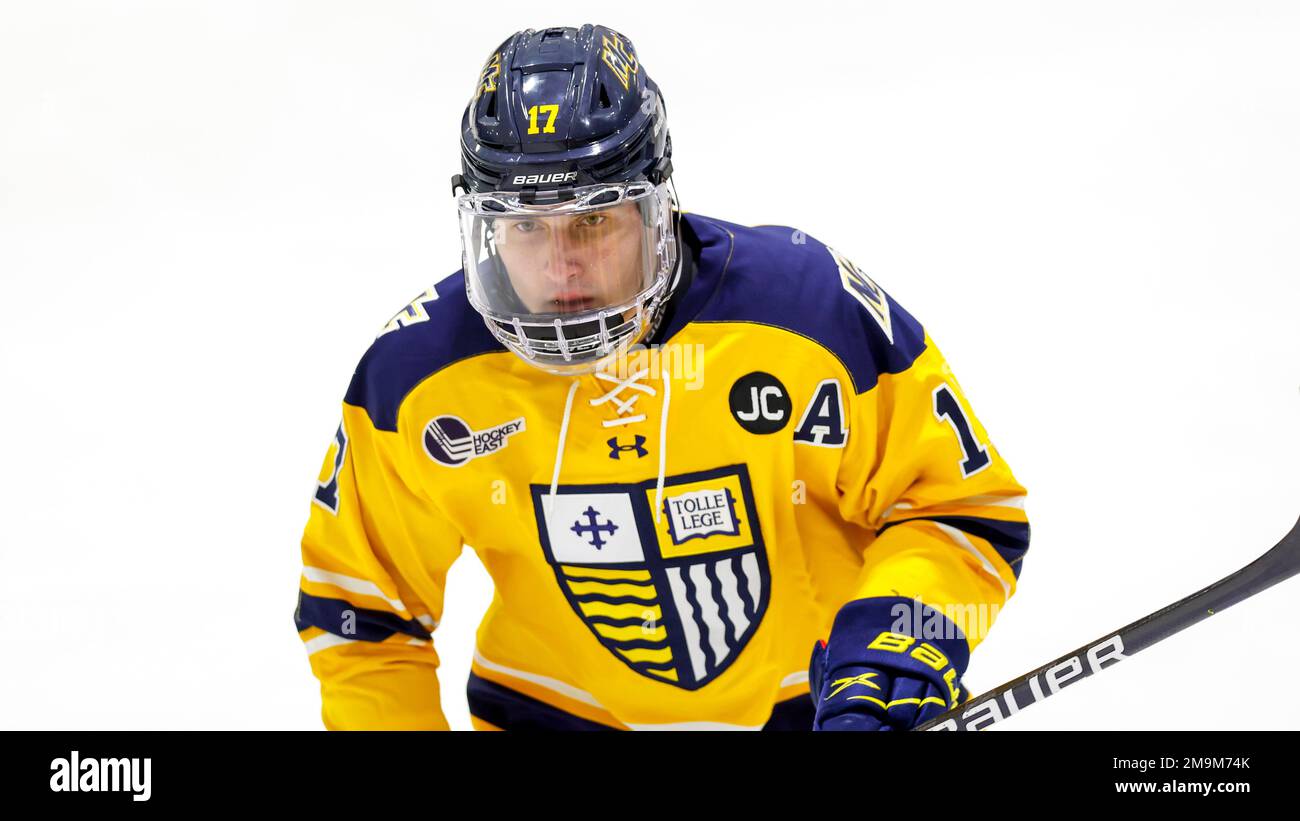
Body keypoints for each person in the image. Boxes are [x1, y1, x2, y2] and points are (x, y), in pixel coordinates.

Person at [295, 23, 1031, 731]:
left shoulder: (808, 314)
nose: (561, 266)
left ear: (656, 203)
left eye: (593, 220)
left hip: (821, 711)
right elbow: (360, 610)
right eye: (525, 226)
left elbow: (968, 516)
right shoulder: (416, 379)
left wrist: (899, 636)